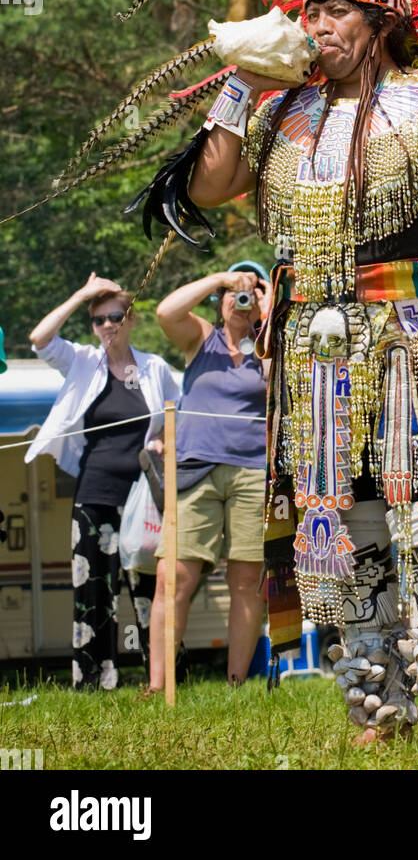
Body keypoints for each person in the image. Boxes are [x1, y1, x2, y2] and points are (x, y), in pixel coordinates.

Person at [185, 0, 418, 750]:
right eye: (307, 12)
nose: (317, 26)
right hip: (314, 354)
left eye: (333, 11)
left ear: (375, 19)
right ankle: (378, 703)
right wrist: (240, 84)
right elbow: (210, 183)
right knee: (340, 528)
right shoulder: (280, 115)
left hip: (411, 335)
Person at [27, 273, 177, 689]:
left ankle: (160, 679)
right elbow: (39, 339)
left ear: (131, 320)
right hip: (94, 494)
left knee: (149, 588)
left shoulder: (154, 368)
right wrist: (82, 293)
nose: (108, 325)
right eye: (99, 319)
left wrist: (165, 441)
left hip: (144, 497)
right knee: (93, 592)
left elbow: (175, 417)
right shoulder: (81, 361)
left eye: (116, 316)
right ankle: (94, 681)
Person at [147, 261, 271, 691]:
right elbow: (165, 312)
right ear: (219, 302)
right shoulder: (201, 336)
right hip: (195, 468)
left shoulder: (269, 343)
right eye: (233, 294)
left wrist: (268, 312)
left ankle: (236, 683)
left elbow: (280, 383)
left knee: (246, 583)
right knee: (172, 577)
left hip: (253, 472)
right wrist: (218, 278)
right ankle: (157, 686)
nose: (240, 300)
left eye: (249, 293)